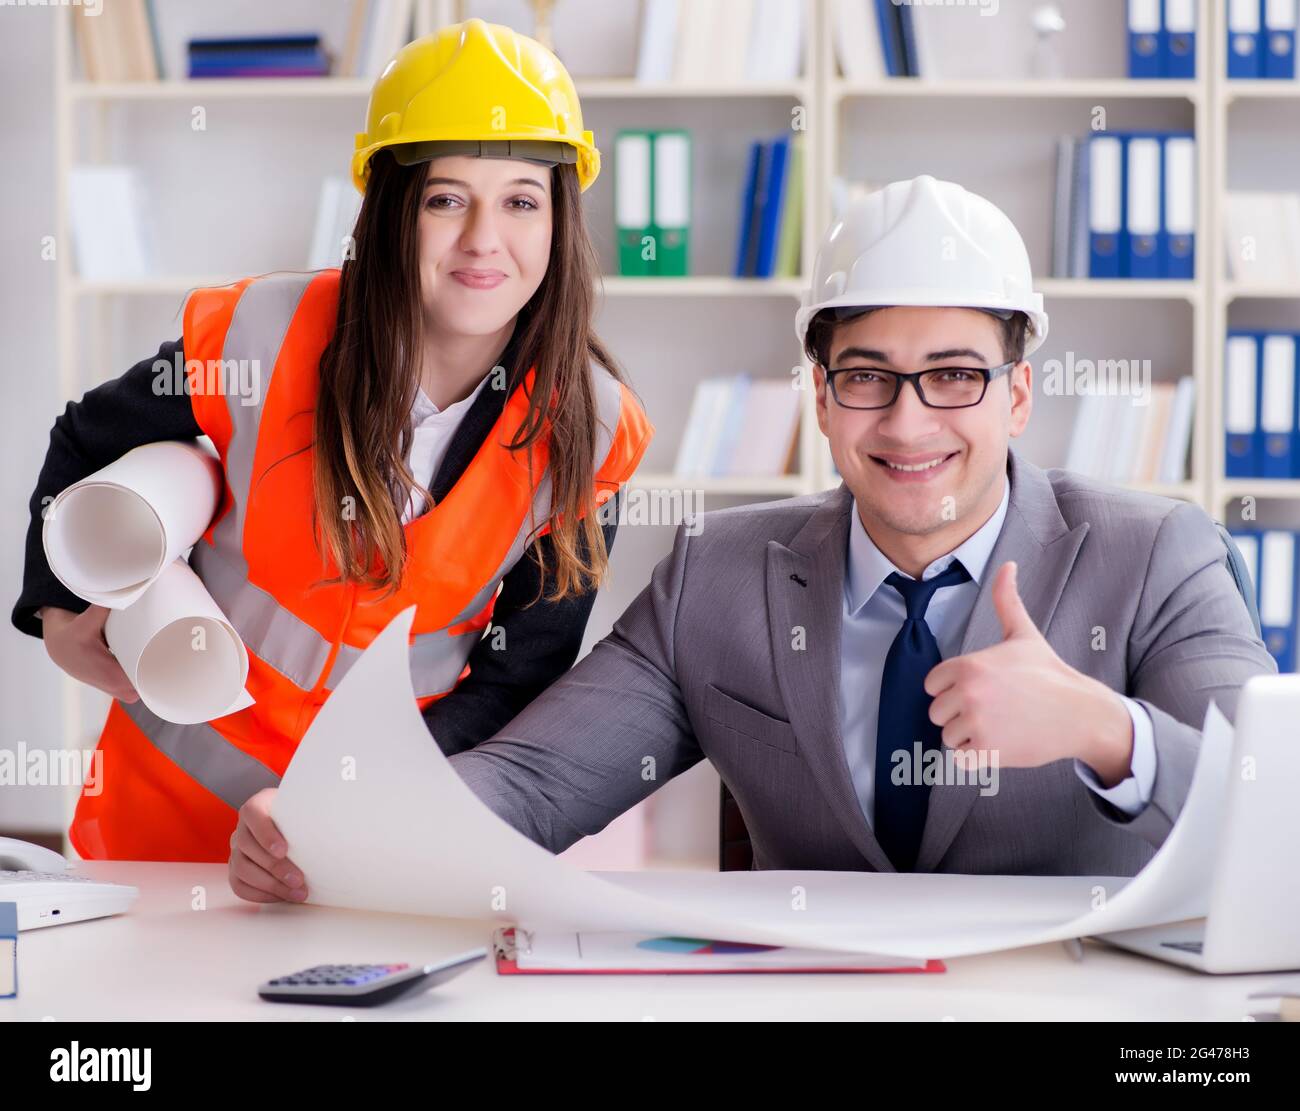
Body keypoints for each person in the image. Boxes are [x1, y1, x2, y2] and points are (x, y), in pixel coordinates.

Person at [433, 174, 1274, 877]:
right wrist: (330, 825)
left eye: (953, 375)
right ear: (824, 398)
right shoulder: (717, 575)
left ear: (1018, 396)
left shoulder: (1158, 555)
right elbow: (533, 783)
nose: (908, 425)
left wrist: (1107, 730)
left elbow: (1276, 811)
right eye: (869, 376)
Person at [11, 19, 652, 890]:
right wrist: (57, 607)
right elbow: (88, 435)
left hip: (360, 849)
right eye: (445, 198)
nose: (483, 239)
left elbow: (517, 680)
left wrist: (347, 813)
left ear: (560, 217)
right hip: (158, 830)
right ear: (391, 209)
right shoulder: (266, 333)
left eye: (521, 200)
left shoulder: (590, 430)